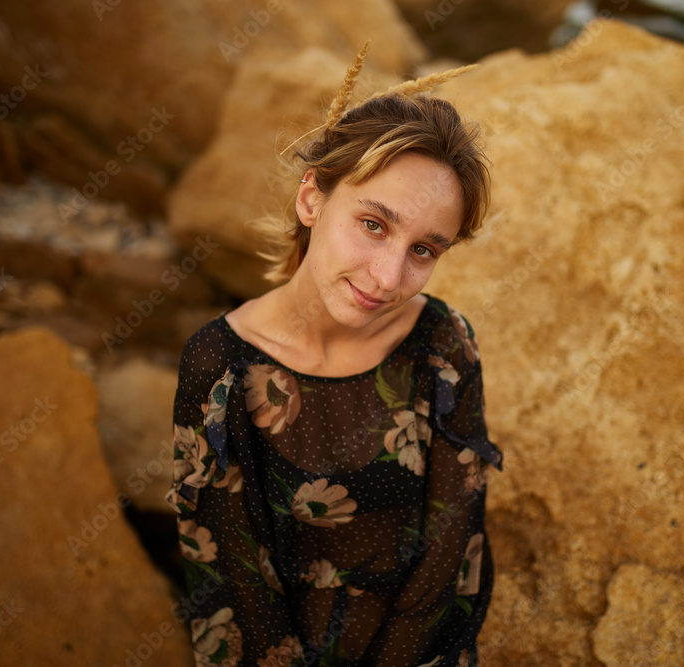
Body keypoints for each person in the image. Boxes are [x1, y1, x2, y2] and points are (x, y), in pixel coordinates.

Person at [166, 41, 503, 667]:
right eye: (374, 224)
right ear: (311, 199)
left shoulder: (442, 346)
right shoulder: (220, 368)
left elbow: (452, 555)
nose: (387, 275)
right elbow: (229, 580)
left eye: (424, 250)